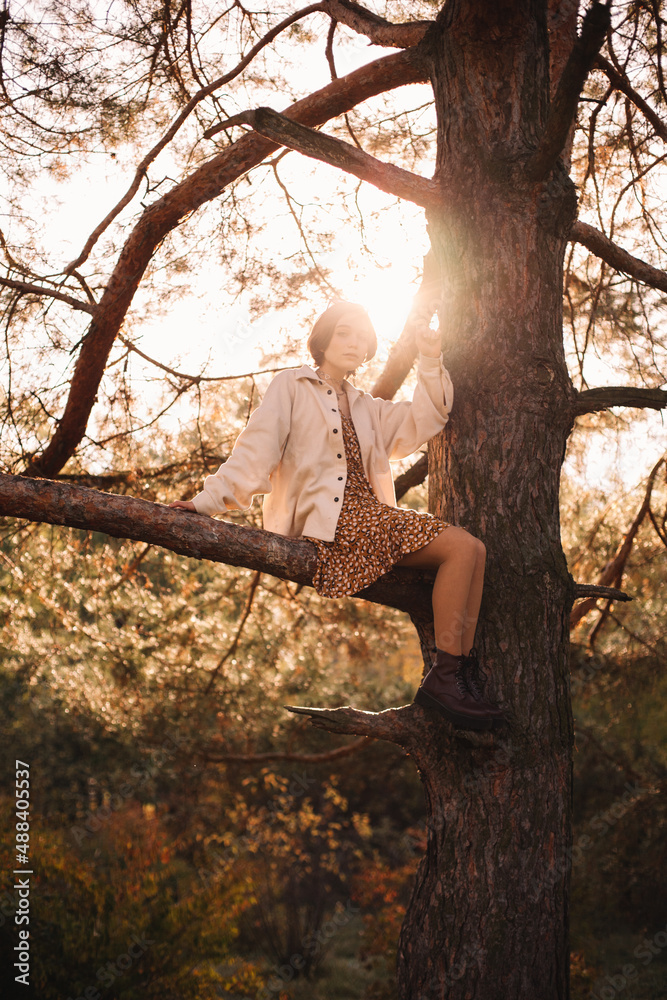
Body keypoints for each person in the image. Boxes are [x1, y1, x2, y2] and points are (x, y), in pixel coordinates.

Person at [170, 300, 505, 731]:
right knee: (461, 548)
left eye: (362, 336)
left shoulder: (368, 406)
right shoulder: (291, 385)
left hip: (372, 520)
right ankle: (444, 678)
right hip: (332, 528)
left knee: (473, 550)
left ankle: (458, 676)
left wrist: (429, 354)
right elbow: (255, 451)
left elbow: (429, 415)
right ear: (324, 339)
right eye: (344, 332)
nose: (354, 342)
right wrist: (205, 502)